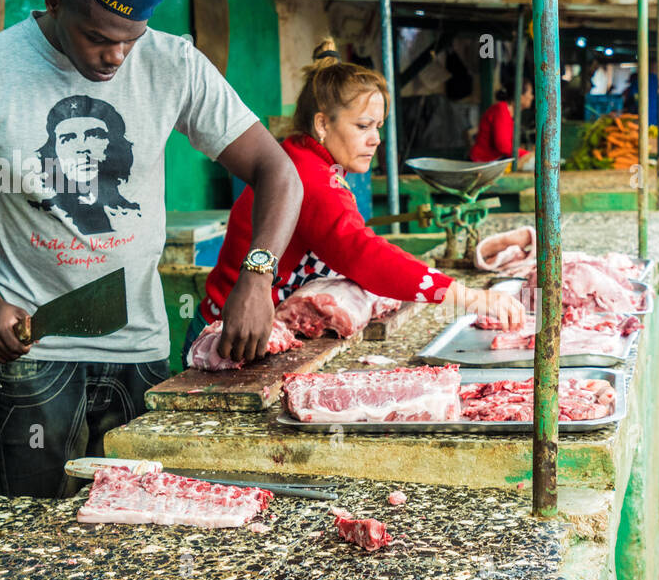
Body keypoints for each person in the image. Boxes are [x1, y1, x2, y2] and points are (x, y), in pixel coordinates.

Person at [0, 0, 303, 498]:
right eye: (98, 37)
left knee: (144, 530)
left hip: (140, 347)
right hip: (33, 354)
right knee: (33, 541)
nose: (115, 56)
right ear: (54, 2)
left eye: (130, 39)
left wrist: (258, 275)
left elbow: (278, 171)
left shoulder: (174, 65)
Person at [194, 39, 525, 360]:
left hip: (246, 331)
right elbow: (362, 254)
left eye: (378, 126)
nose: (376, 139)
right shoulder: (309, 176)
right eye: (364, 126)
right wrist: (464, 296)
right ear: (322, 123)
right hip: (225, 340)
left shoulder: (307, 158)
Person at [471, 77, 533, 162]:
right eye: (530, 93)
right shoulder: (501, 110)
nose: (532, 97)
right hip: (483, 161)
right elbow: (502, 146)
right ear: (520, 96)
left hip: (493, 160)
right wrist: (528, 155)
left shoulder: (508, 112)